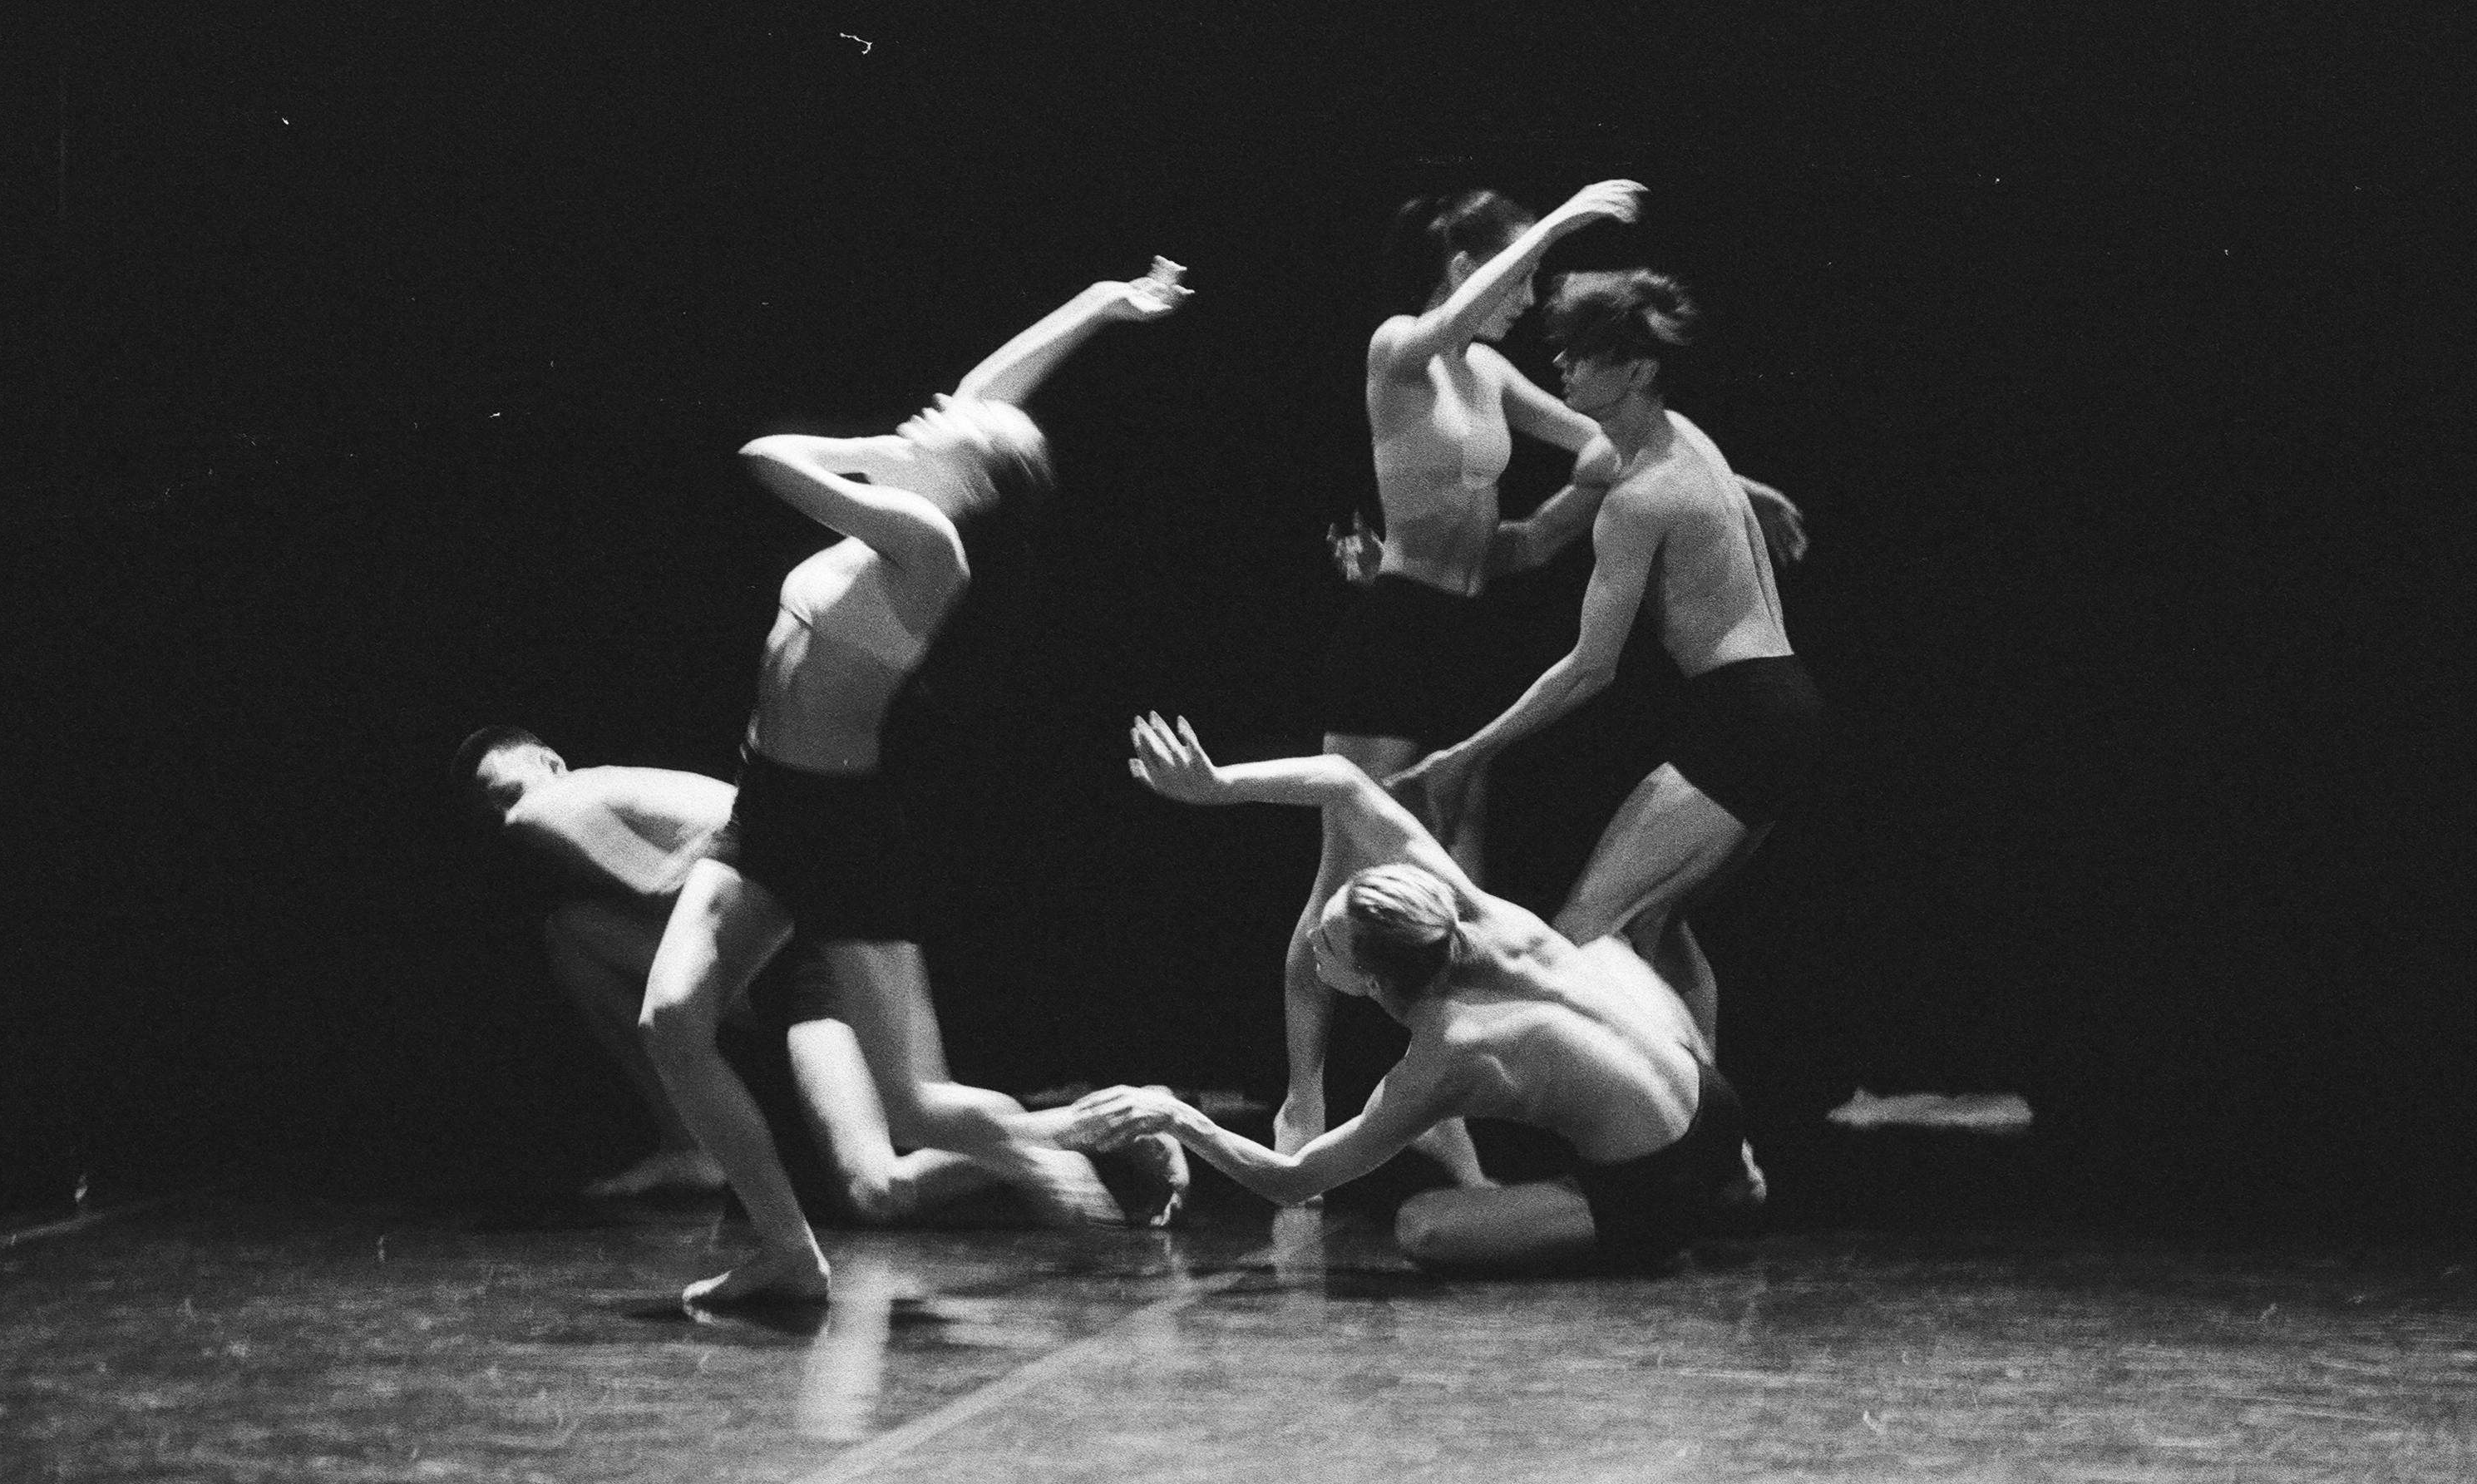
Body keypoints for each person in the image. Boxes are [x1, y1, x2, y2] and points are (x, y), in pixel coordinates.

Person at [641, 264, 1192, 1306]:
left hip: (844, 828)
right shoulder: (930, 496)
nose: (939, 407)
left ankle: (1116, 1120)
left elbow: (764, 454)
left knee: (919, 1106)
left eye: (950, 425)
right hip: (766, 803)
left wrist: (877, 451)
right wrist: (1101, 304)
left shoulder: (931, 545)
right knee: (670, 1019)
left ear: (969, 481)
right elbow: (989, 397)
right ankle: (787, 1251)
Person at [1285, 182, 1805, 1170]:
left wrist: (1733, 488)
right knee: (1351, 870)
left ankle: (1507, 1112)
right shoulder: (1405, 344)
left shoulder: (1529, 400)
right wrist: (1568, 220)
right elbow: (1461, 335)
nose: (1535, 312)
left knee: (1503, 901)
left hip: (1505, 643)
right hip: (1403, 626)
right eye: (1519, 273)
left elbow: (1609, 468)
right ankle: (1305, 1100)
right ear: (1466, 267)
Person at [1078, 713, 1760, 1273]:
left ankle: (1693, 1207)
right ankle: (1736, 1174)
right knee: (1599, 947)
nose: (1312, 939)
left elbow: (1295, 1179)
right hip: (1714, 1100)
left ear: (1371, 983)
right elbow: (1344, 782)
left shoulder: (1445, 1054)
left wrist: (1177, 1119)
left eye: (1328, 946)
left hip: (1658, 1187)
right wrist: (1219, 785)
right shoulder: (1470, 913)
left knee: (1422, 1227)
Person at [1391, 269, 1823, 1056]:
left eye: (1581, 355)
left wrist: (1463, 755)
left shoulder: (1642, 496)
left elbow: (1591, 670)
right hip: (1776, 709)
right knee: (1655, 925)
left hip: (1747, 716)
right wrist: (1404, 558)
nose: (1560, 366)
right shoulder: (1673, 442)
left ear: (1638, 371)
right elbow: (1525, 543)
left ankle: (1662, 1139)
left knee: (1584, 935)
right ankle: (1709, 1147)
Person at [448, 728, 1002, 1216]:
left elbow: (669, 885)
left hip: (807, 943)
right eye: (489, 813)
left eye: (503, 793)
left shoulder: (553, 802)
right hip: (830, 930)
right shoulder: (627, 790)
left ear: (548, 762)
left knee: (878, 1183)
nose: (505, 816)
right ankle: (1058, 1132)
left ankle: (1058, 1131)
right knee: (889, 1174)